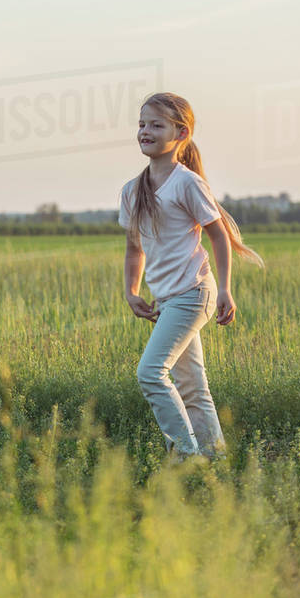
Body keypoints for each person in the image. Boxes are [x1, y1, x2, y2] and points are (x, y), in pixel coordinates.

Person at [119, 93, 262, 458]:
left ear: (180, 133)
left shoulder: (187, 183)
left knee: (150, 373)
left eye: (156, 125)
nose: (145, 131)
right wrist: (131, 290)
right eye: (141, 124)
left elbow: (218, 235)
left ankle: (186, 455)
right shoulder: (132, 191)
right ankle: (216, 460)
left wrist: (226, 290)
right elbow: (135, 248)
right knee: (192, 387)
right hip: (166, 300)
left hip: (194, 293)